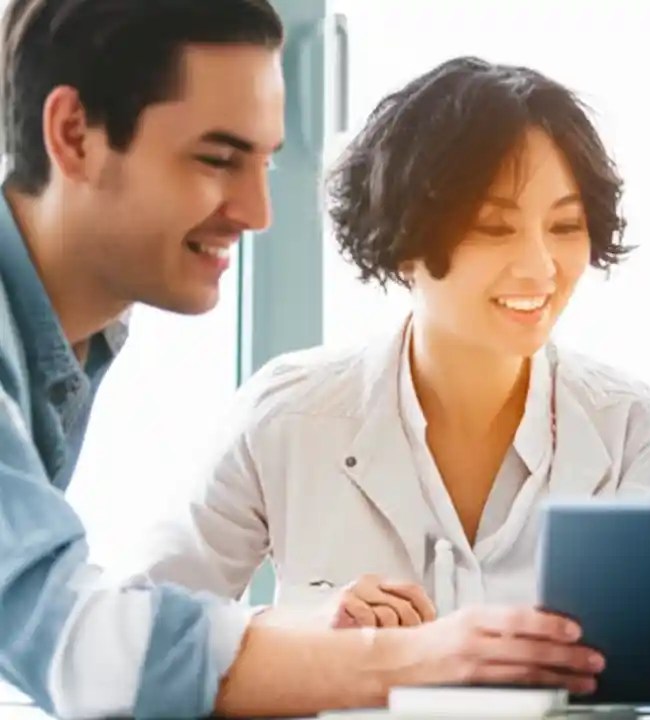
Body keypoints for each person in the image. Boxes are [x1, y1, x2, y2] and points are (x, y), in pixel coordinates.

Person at [0, 3, 603, 718]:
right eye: (218, 159)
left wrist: (314, 638)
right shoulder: (287, 406)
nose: (259, 212)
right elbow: (75, 644)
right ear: (74, 135)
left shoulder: (64, 347)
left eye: (265, 163)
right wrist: (421, 657)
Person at [136, 56, 650, 627]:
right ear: (405, 240)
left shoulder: (629, 425)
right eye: (494, 228)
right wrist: (302, 633)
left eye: (566, 226)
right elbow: (144, 629)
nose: (540, 267)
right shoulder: (286, 417)